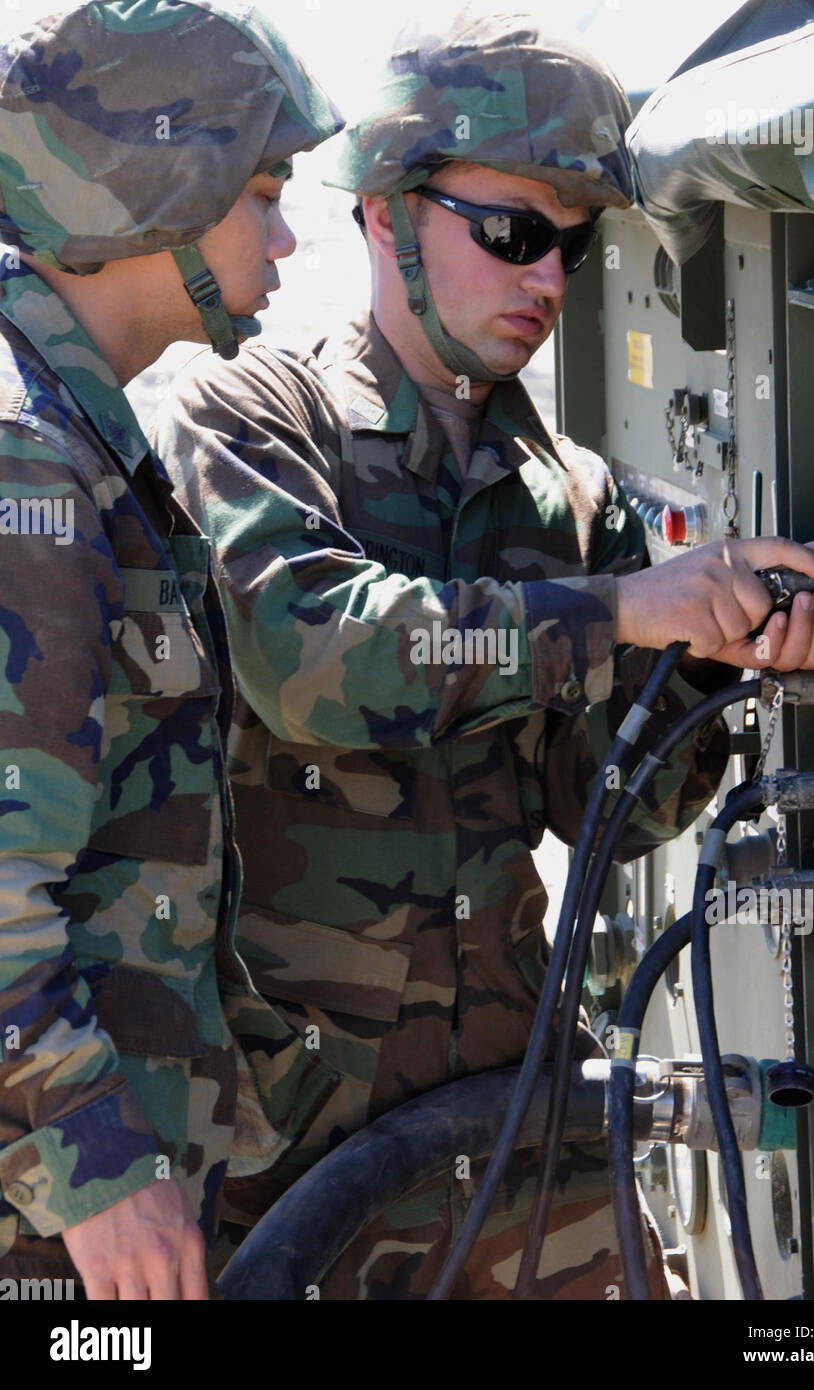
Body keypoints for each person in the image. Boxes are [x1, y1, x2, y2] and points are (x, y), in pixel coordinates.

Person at [154, 9, 814, 1298]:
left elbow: (602, 809)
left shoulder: (569, 493)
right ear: (385, 214)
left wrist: (712, 662)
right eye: (515, 234)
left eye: (572, 246)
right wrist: (623, 612)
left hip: (525, 1137)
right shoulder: (246, 415)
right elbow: (309, 657)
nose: (550, 280)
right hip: (288, 1150)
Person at [0, 0, 342, 1300]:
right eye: (264, 193)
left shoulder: (65, 426)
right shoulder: (27, 461)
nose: (286, 237)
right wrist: (95, 1168)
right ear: (161, 191)